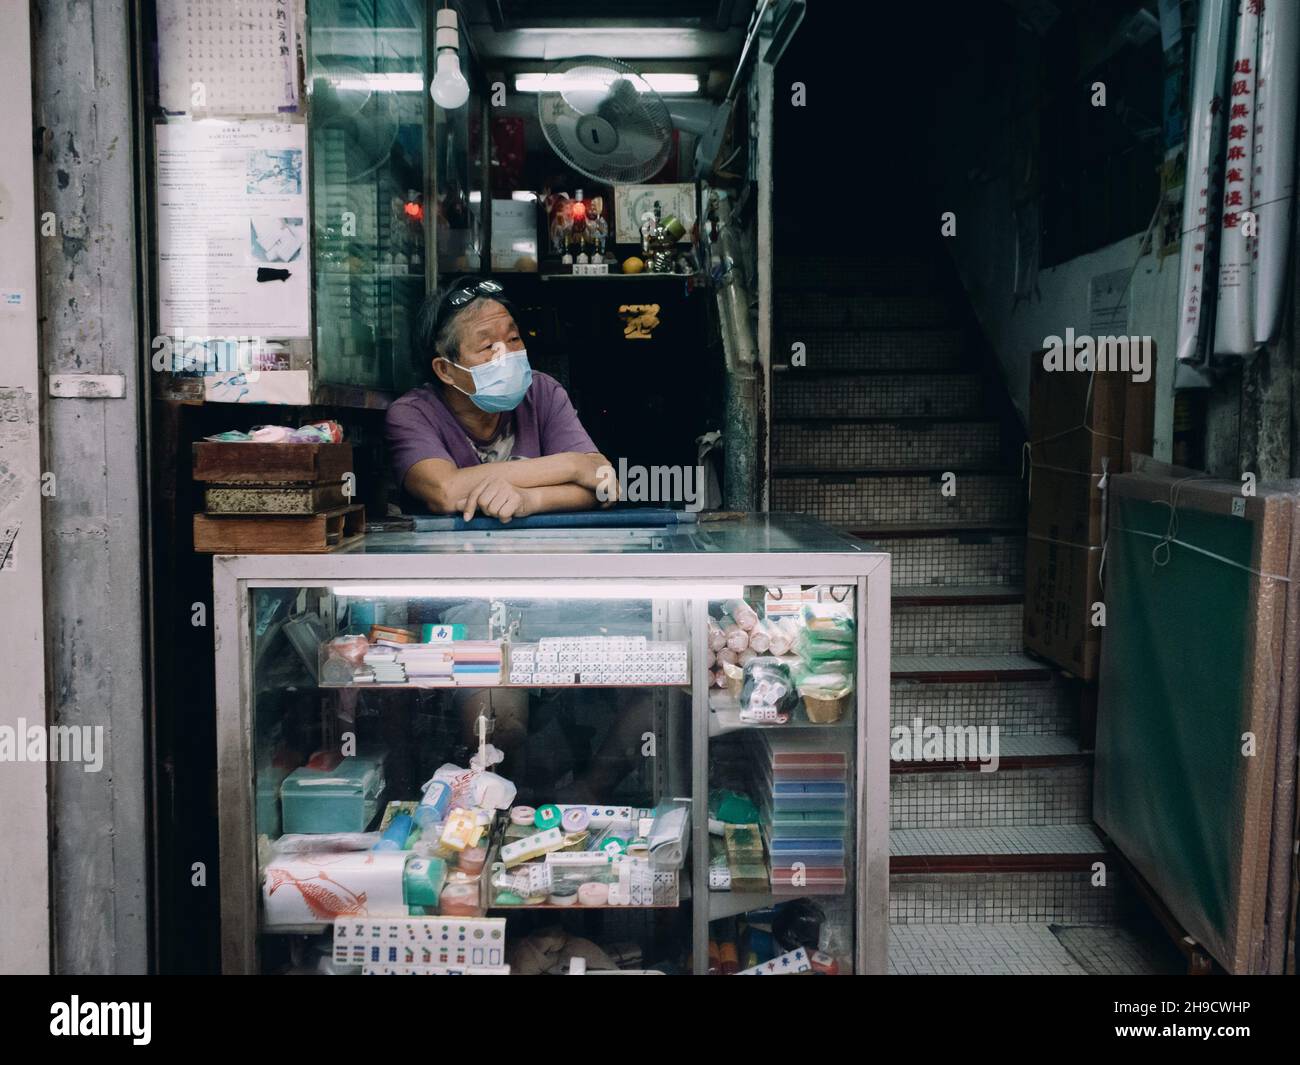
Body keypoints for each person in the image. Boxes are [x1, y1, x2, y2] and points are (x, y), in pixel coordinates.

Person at [386, 277, 614, 520]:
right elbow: (446, 491)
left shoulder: (542, 393)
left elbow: (602, 481)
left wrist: (530, 500)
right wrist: (572, 466)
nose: (506, 354)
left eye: (513, 339)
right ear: (445, 370)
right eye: (487, 346)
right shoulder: (413, 414)